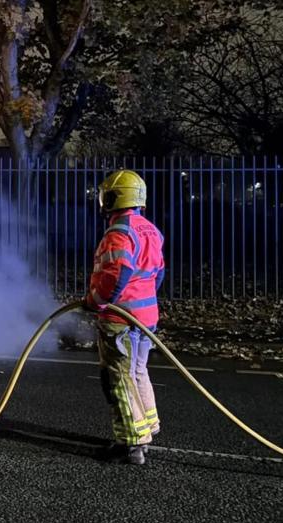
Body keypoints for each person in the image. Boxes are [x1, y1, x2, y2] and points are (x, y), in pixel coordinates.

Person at [85, 169, 165, 465]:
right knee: (138, 371)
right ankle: (147, 428)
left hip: (121, 319)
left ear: (113, 197)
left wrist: (96, 302)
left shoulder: (119, 232)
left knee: (118, 377)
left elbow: (118, 273)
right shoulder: (150, 229)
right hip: (146, 318)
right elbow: (159, 273)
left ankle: (131, 444)